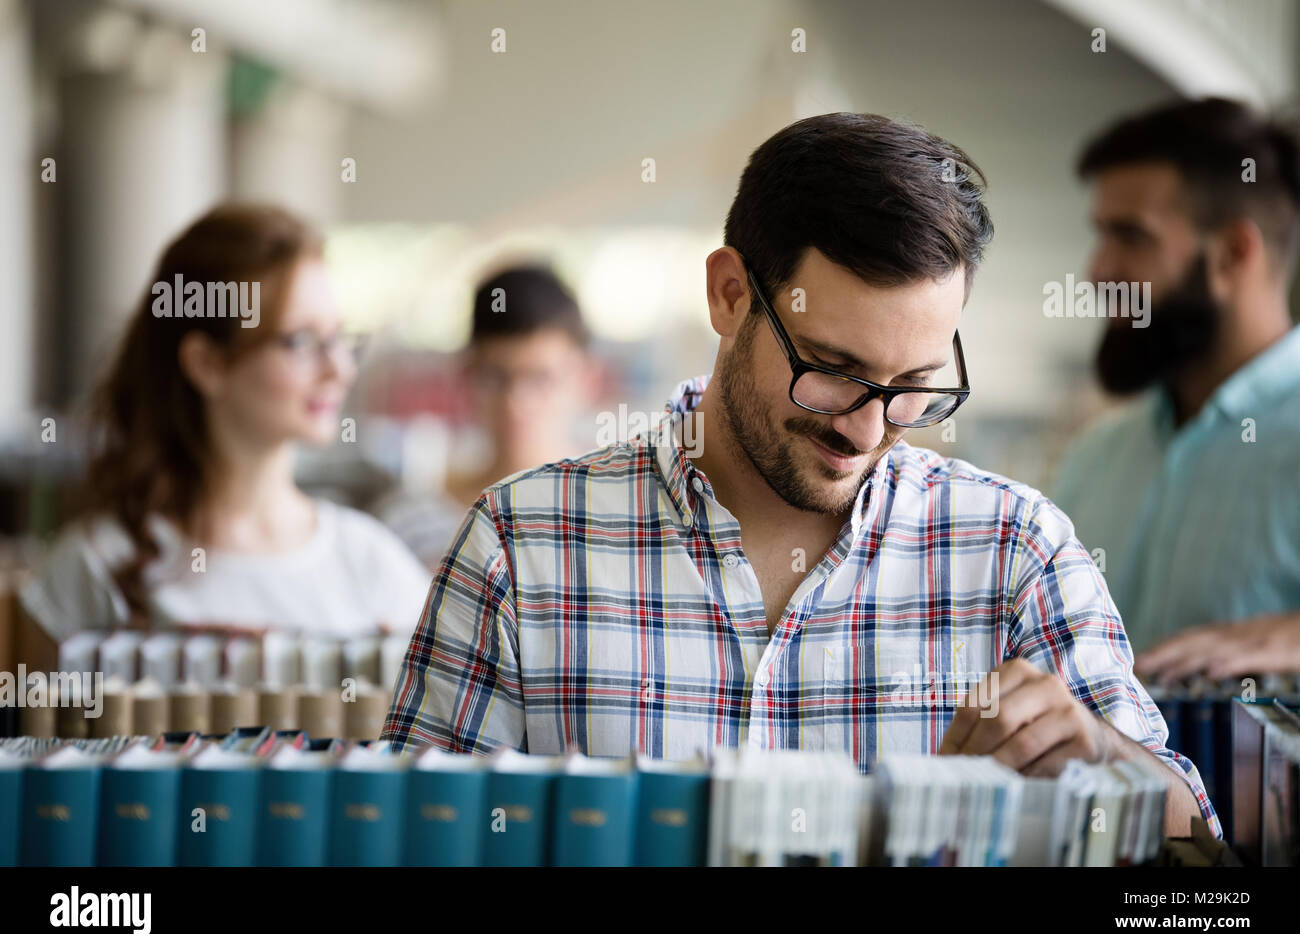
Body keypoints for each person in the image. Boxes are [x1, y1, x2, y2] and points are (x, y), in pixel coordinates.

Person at [382, 112, 1219, 837]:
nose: (865, 428)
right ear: (730, 295)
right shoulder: (521, 548)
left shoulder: (1013, 551)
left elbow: (1203, 862)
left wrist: (1108, 757)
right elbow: (401, 840)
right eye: (831, 368)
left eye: (913, 387)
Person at [17, 203, 431, 671]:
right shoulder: (96, 567)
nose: (340, 368)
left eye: (339, 337)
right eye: (300, 341)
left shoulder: (374, 565)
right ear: (207, 363)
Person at [1050, 98, 1300, 683]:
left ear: (1234, 253)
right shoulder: (1097, 458)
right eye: (1101, 235)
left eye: (1130, 237)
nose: (1097, 270)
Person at [376, 265, 597, 567]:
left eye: (541, 378)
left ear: (583, 378)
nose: (515, 402)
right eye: (496, 377)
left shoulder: (625, 515)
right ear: (466, 376)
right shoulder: (408, 525)